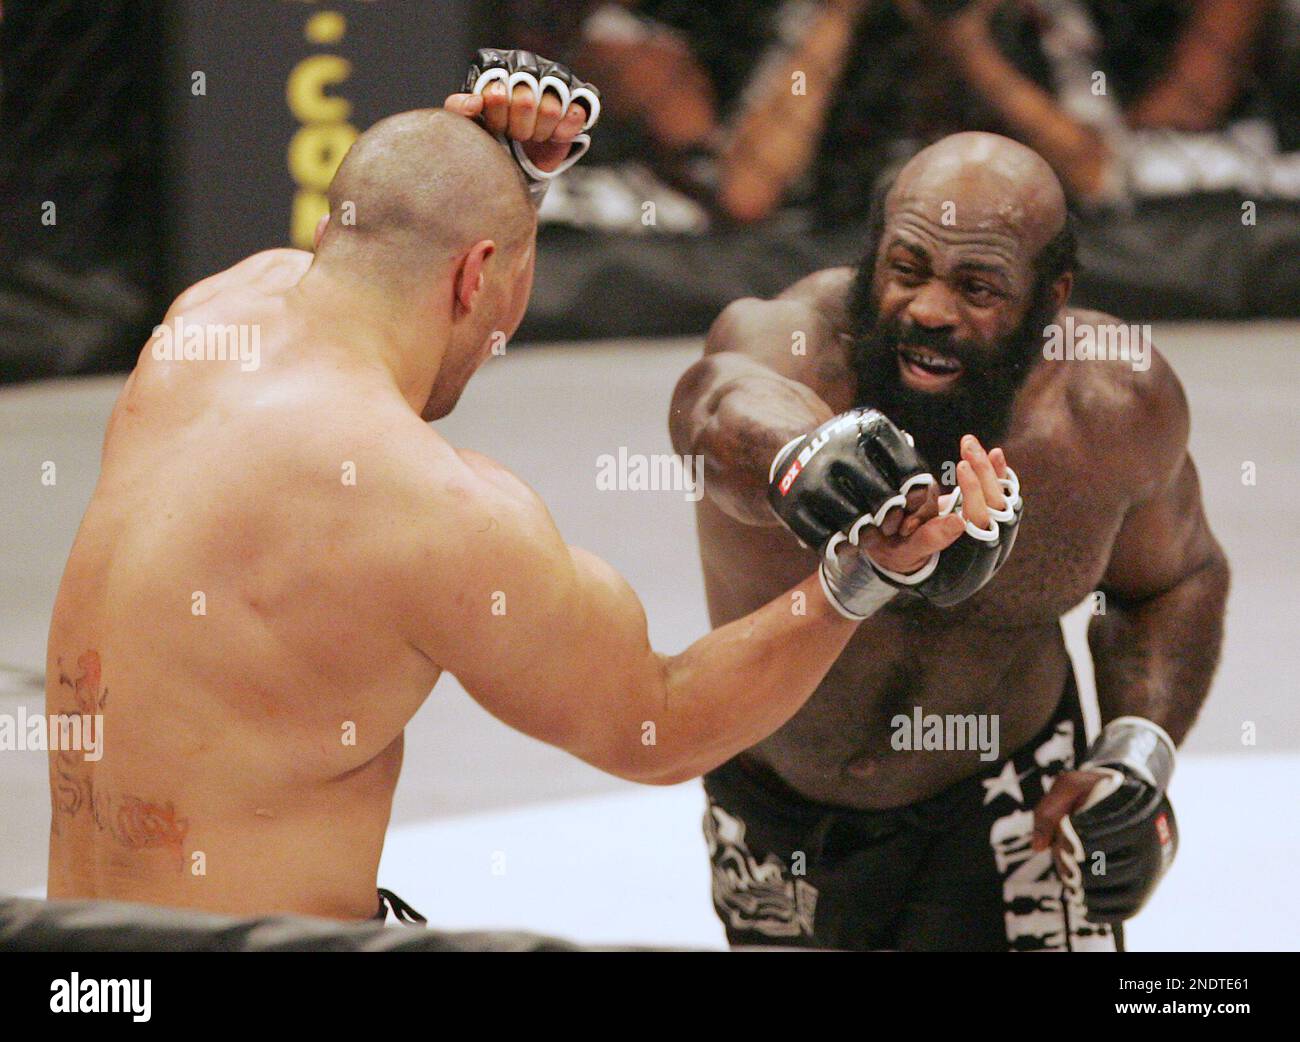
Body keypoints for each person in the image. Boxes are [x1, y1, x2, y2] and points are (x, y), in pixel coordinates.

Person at [43, 52, 1005, 925]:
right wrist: (860, 579)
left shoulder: (206, 320)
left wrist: (501, 177)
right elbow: (656, 726)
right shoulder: (439, 514)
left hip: (76, 959)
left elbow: (395, 221)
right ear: (479, 277)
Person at [669, 130, 1229, 950]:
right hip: (778, 810)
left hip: (1012, 803)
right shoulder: (788, 348)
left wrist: (1135, 757)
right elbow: (712, 408)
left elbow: (1176, 580)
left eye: (978, 286)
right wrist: (803, 458)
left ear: (1049, 298)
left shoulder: (1111, 407)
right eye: (906, 269)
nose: (930, 310)